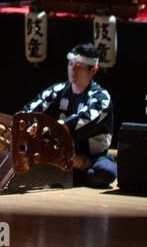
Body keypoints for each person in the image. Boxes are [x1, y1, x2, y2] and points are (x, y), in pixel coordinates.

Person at [21, 43, 116, 189]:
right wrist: (25, 124)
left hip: (92, 158)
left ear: (93, 70)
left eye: (80, 66)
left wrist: (48, 127)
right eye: (71, 64)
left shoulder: (101, 98)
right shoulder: (57, 90)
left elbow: (82, 119)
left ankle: (75, 171)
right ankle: (63, 171)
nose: (73, 69)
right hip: (59, 154)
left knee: (105, 172)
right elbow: (29, 111)